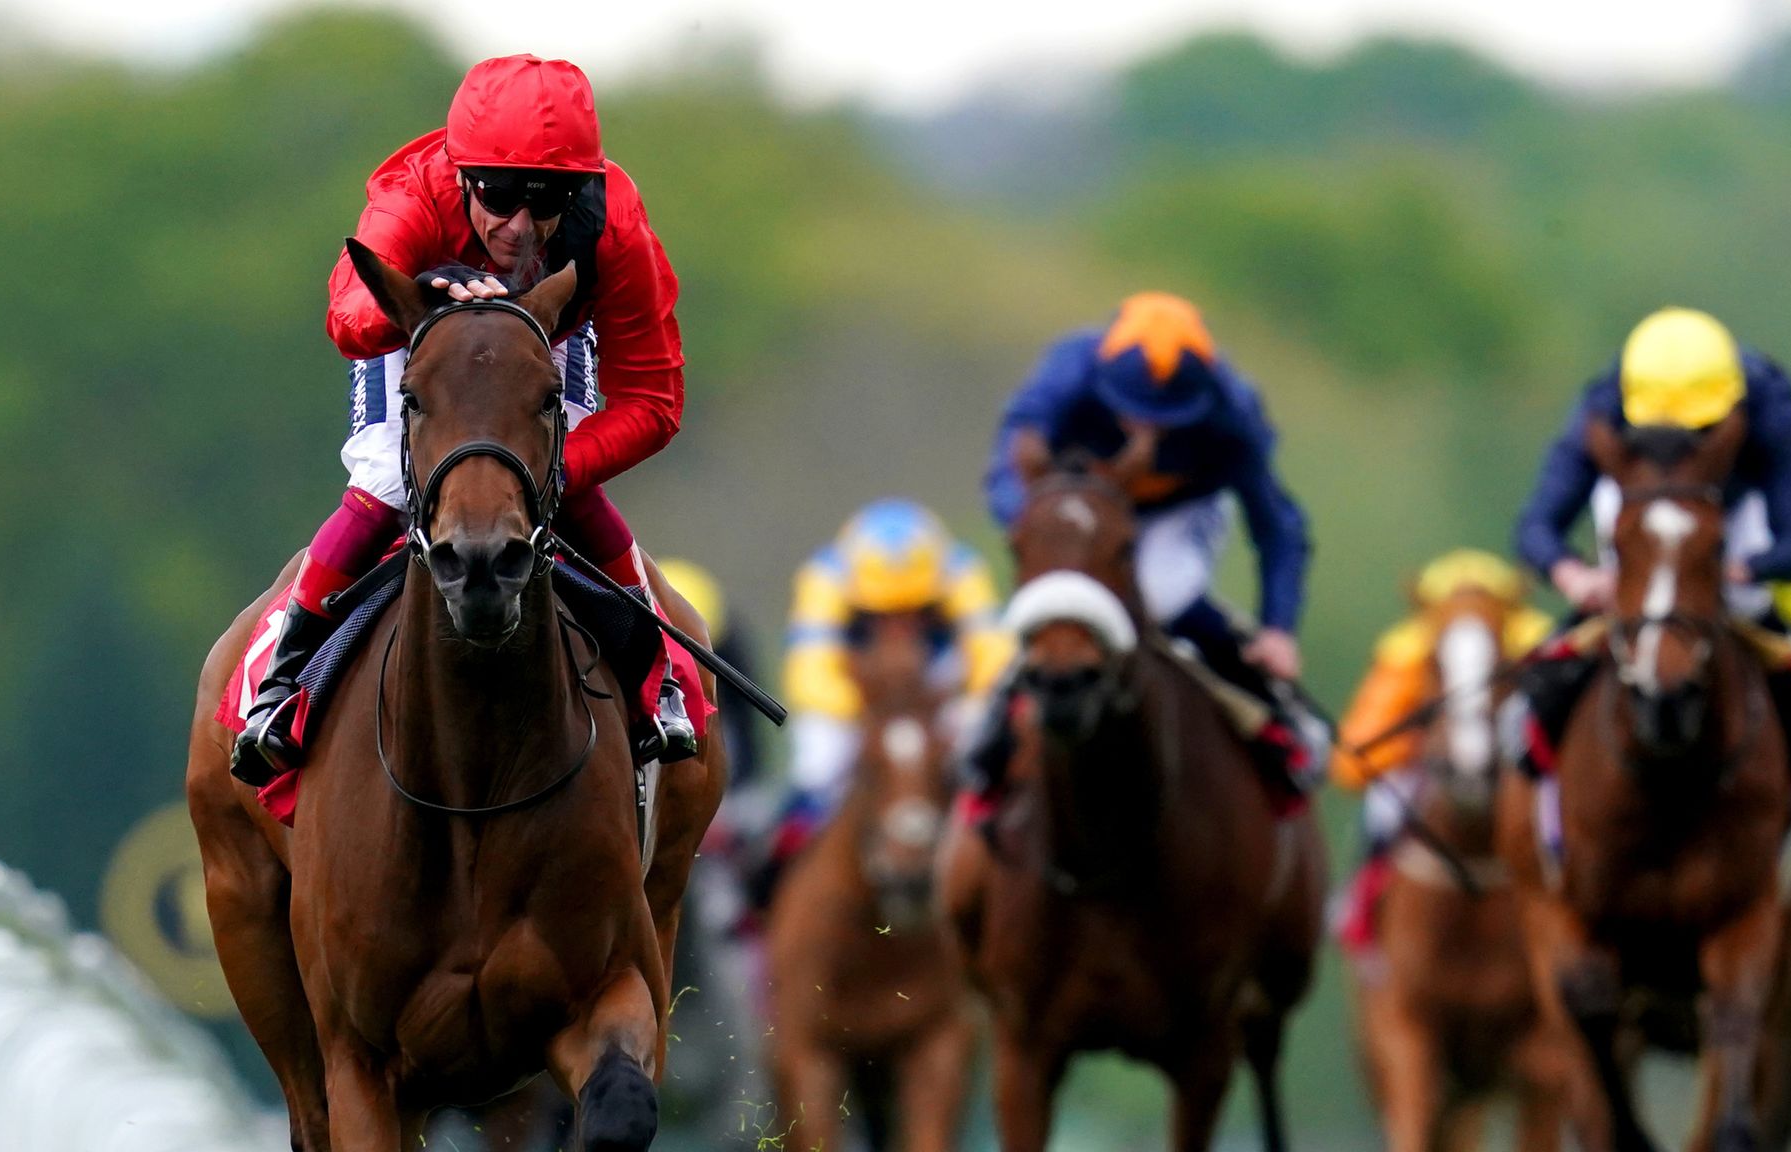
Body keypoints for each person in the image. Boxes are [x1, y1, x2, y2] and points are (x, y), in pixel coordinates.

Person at [232, 54, 705, 784]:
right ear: (459, 176)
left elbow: (654, 401)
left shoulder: (615, 225)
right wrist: (418, 293)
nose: (518, 225)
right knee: (393, 476)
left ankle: (659, 680)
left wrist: (545, 471)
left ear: (579, 190)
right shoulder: (411, 194)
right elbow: (348, 317)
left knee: (551, 480)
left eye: (545, 197)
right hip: (417, 334)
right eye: (499, 192)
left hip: (540, 341)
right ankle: (280, 682)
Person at [1511, 306, 1791, 866]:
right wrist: (1573, 573)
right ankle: (1530, 776)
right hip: (1639, 525)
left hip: (1732, 532)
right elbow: (1538, 524)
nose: (1678, 439)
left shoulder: (1771, 409)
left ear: (1732, 406)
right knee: (1539, 678)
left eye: (1699, 428)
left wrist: (1741, 571)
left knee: (1772, 635)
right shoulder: (1603, 406)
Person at [971, 292, 1323, 815]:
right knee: (1060, 603)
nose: (1148, 430)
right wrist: (1032, 520)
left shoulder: (1234, 411)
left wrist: (1278, 628)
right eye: (1133, 412)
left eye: (1167, 417)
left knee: (1159, 598)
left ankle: (1273, 714)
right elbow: (1007, 464)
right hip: (1076, 504)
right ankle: (991, 736)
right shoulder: (1068, 370)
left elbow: (1278, 525)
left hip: (1180, 512)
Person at [762, 500, 1012, 874]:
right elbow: (810, 672)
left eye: (917, 611)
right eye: (882, 615)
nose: (900, 626)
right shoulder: (826, 576)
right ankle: (777, 862)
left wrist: (971, 708)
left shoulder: (960, 568)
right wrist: (872, 716)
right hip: (857, 695)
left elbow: (993, 657)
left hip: (938, 689)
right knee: (819, 764)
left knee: (985, 742)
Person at [1328, 549, 1550, 951]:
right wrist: (1414, 747)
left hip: (1516, 763)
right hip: (1428, 766)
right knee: (1381, 811)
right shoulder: (1405, 653)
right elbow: (1353, 757)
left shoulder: (1535, 645)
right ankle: (1362, 910)